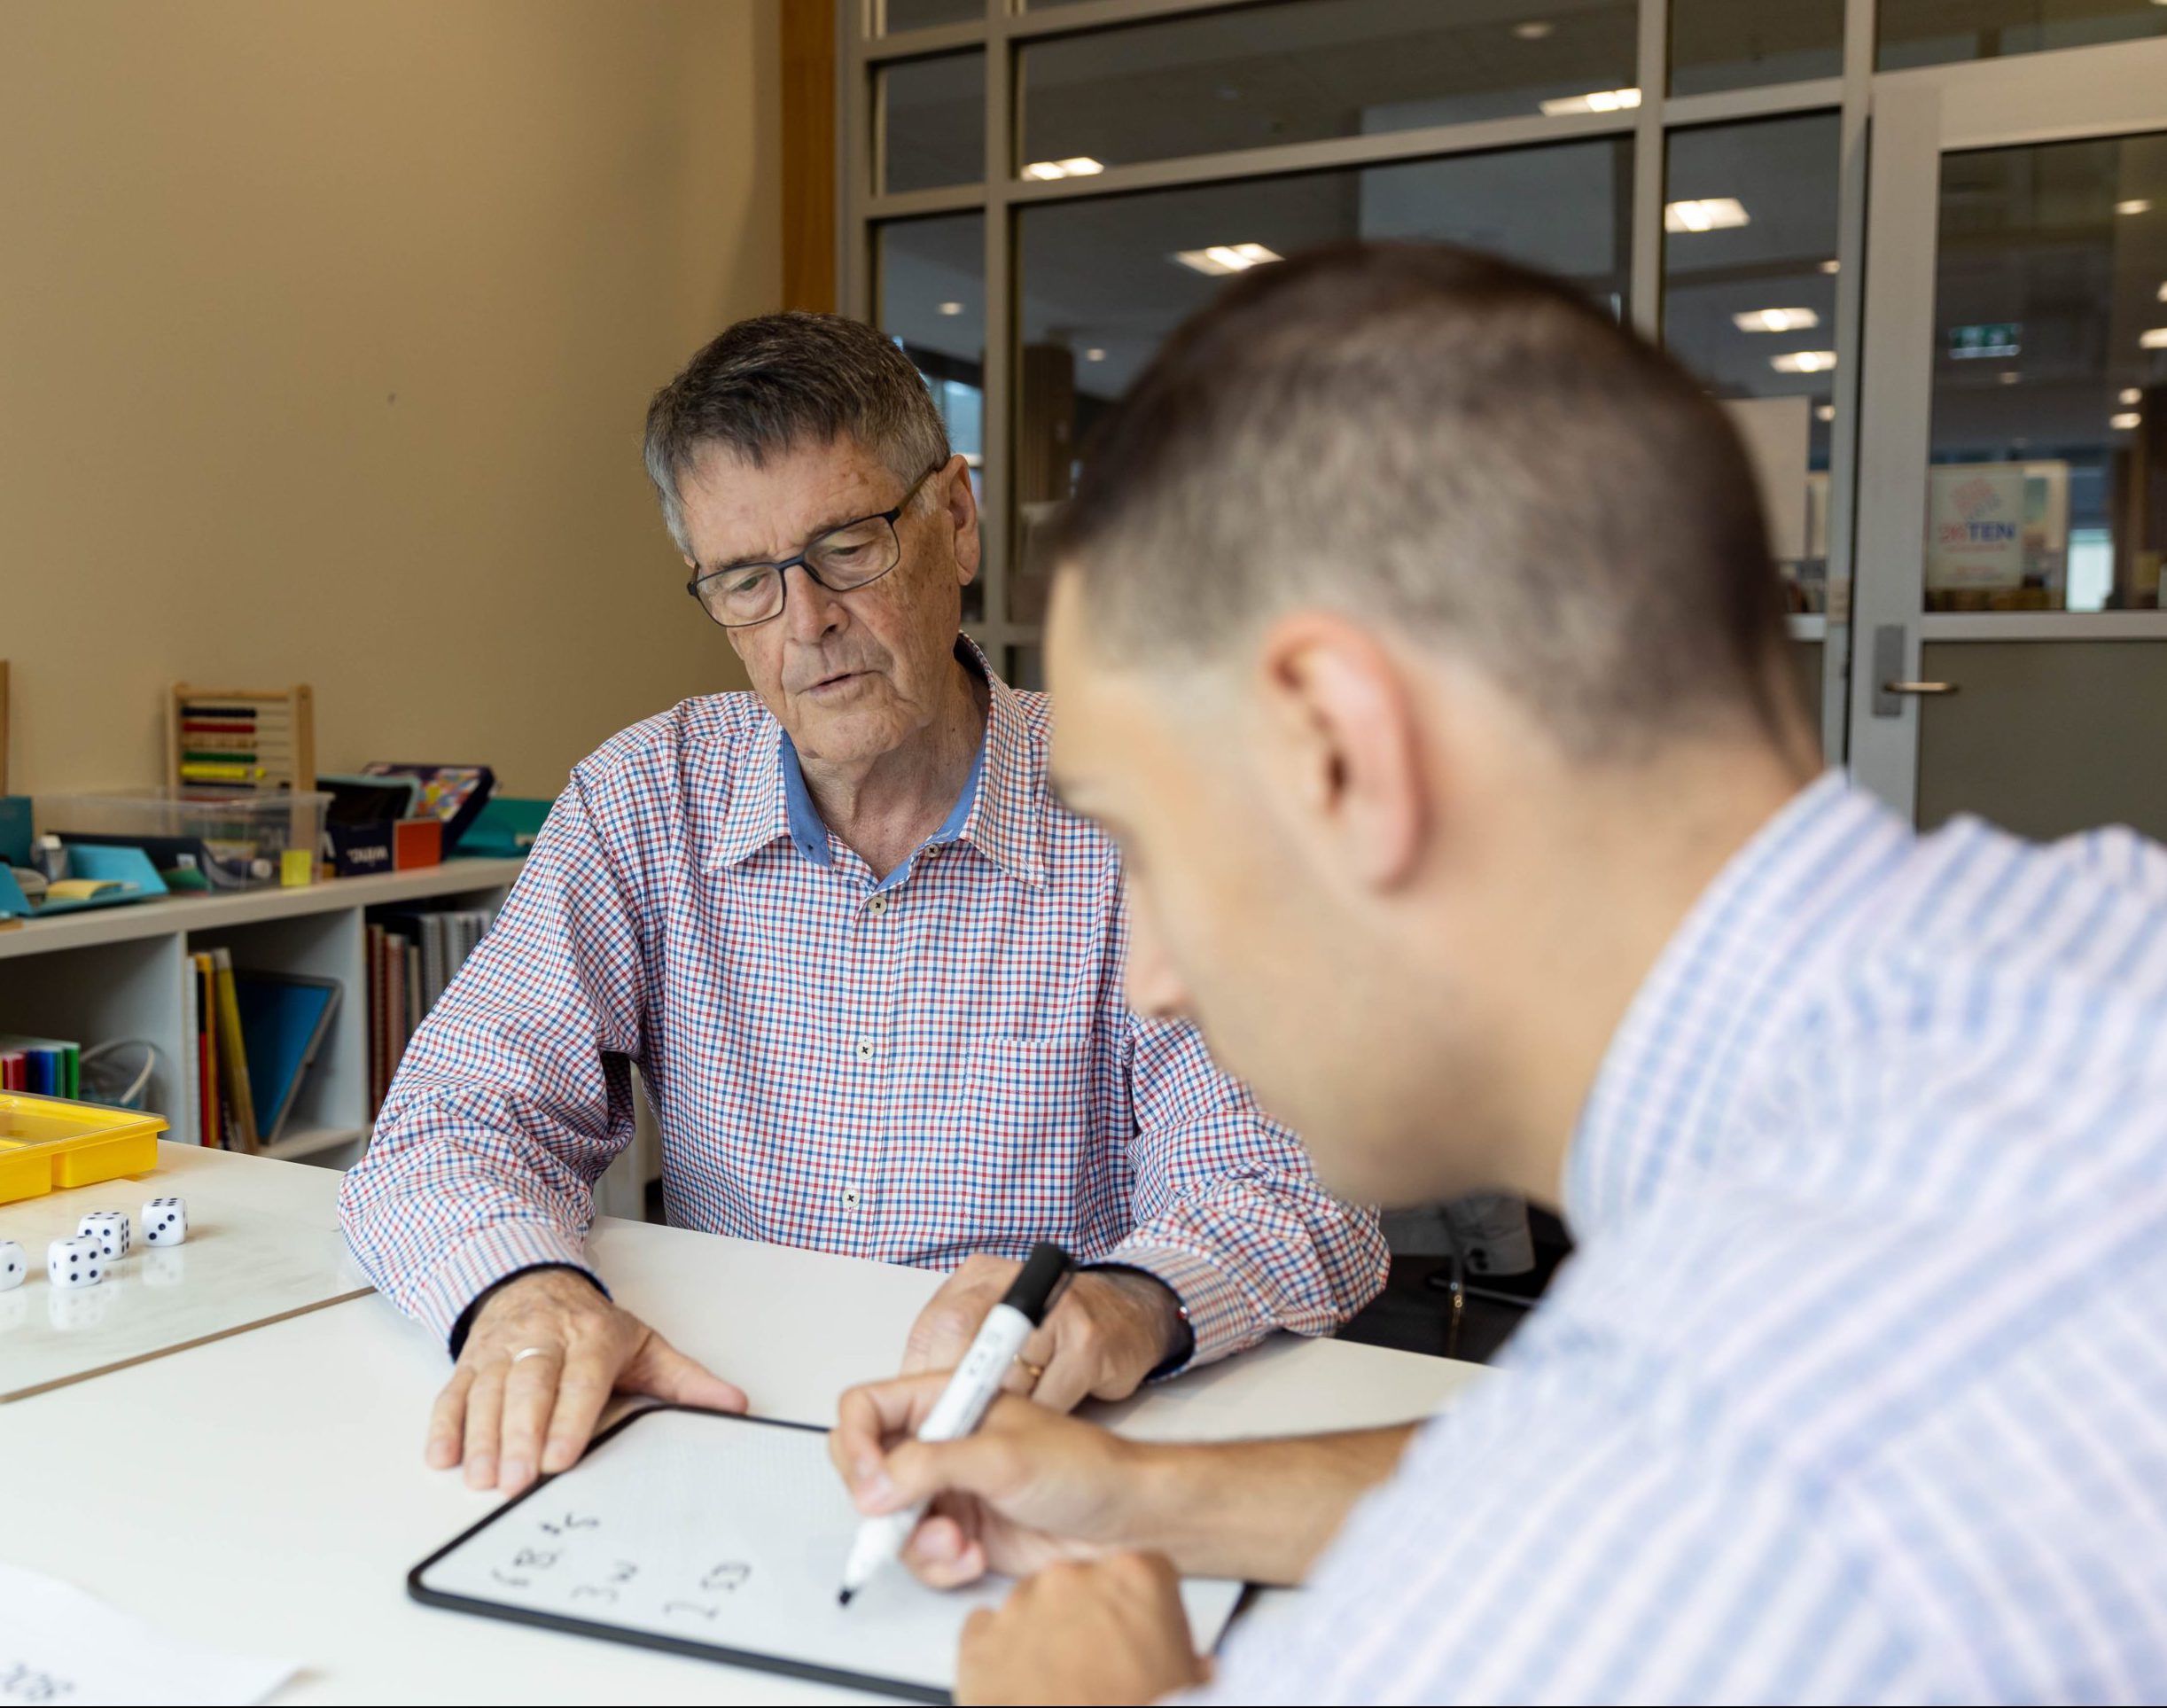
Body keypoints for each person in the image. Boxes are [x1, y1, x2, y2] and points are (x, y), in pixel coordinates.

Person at [829, 244, 2167, 1704]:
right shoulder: (2089, 942)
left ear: (1337, 748)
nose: (1149, 976)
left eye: (1144, 836)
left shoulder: (1754, 1469)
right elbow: (1587, 1472)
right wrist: (1139, 1491)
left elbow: (1683, 1489)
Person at [337, 314, 1384, 1499]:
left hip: (1037, 1446)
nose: (806, 624)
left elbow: (1292, 1185)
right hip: (721, 1426)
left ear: (955, 523)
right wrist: (523, 1291)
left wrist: (1120, 1306)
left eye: (846, 548)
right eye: (744, 580)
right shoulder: (647, 795)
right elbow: (449, 1123)